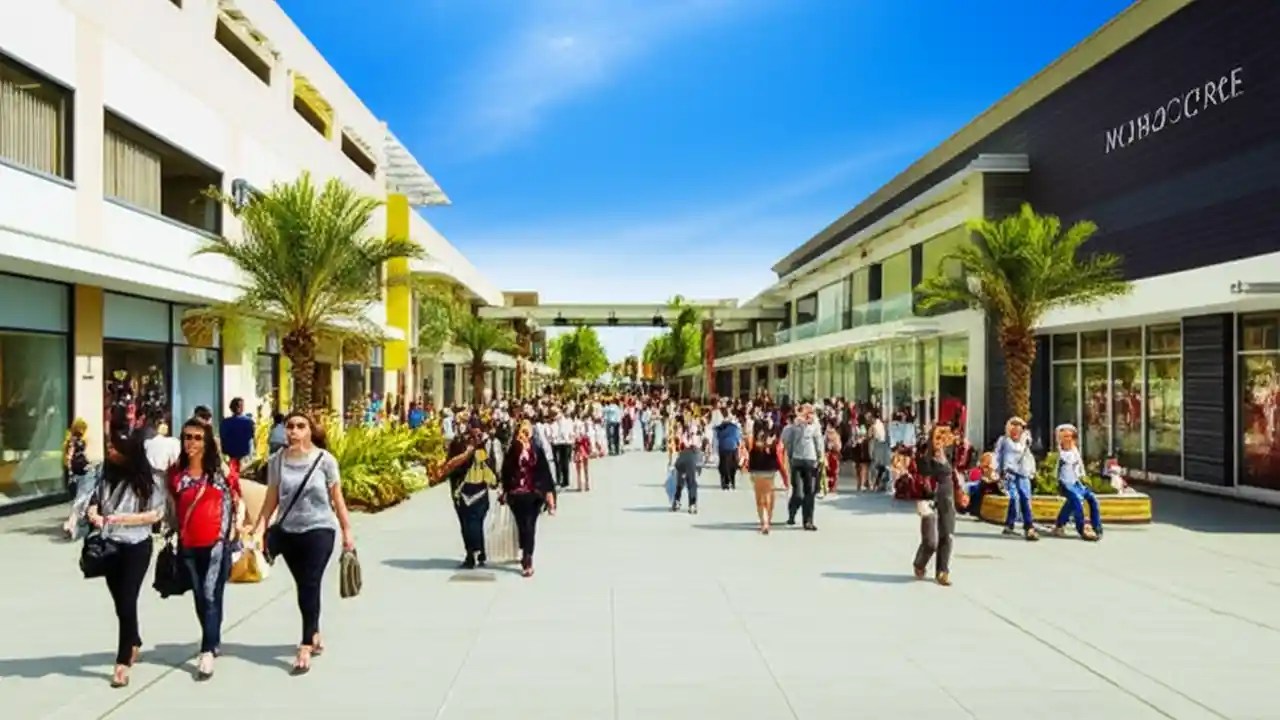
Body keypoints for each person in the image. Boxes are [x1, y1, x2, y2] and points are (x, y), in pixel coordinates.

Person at [250, 412, 355, 675]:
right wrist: (260, 529)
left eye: (300, 426)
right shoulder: (277, 462)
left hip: (319, 530)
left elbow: (337, 499)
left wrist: (347, 531)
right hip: (289, 531)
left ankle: (306, 644)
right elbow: (271, 499)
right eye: (290, 427)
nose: (294, 431)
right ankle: (315, 630)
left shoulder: (325, 461)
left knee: (310, 582)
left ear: (309, 430)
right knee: (304, 587)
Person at [86, 429, 166, 688]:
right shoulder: (104, 475)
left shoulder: (148, 480)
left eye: (116, 448)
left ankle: (122, 661)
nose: (110, 451)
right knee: (120, 602)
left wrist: (118, 519)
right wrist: (93, 514)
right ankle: (134, 639)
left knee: (128, 599)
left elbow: (155, 515)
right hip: (110, 545)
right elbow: (93, 501)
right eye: (109, 447)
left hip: (136, 547)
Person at [169, 419, 243, 680]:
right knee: (201, 597)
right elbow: (172, 507)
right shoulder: (177, 474)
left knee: (211, 594)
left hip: (216, 545)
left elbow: (235, 500)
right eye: (188, 437)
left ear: (207, 442)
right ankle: (214, 637)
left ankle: (207, 650)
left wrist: (233, 532)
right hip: (188, 544)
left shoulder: (219, 474)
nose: (192, 442)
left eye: (198, 438)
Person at [499, 420, 556, 577]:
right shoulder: (513, 450)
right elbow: (505, 471)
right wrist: (504, 490)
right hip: (516, 494)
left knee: (530, 524)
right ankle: (524, 546)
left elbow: (544, 471)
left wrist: (550, 494)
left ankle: (528, 558)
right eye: (521, 432)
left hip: (533, 493)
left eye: (527, 432)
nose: (524, 435)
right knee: (521, 525)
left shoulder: (537, 449)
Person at [438, 422, 498, 569]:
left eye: (479, 434)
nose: (476, 437)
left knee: (476, 523)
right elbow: (449, 466)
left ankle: (477, 550)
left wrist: (496, 482)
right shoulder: (458, 444)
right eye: (473, 434)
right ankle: (471, 554)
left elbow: (492, 467)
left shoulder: (487, 446)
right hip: (461, 491)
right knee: (466, 525)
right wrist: (468, 452)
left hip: (480, 491)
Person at [913, 424, 960, 586]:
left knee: (947, 534)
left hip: (947, 497)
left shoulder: (950, 453)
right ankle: (920, 562)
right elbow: (919, 474)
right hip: (928, 498)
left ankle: (942, 571)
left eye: (943, 438)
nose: (939, 442)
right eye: (936, 439)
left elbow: (955, 473)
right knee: (931, 541)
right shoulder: (924, 455)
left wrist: (960, 493)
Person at [1051, 424, 1102, 541]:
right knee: (1076, 500)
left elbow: (1080, 468)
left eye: (1070, 436)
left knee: (1092, 499)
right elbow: (1053, 471)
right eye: (1065, 437)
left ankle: (1096, 527)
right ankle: (1082, 528)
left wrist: (1084, 480)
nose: (1068, 439)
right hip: (1065, 483)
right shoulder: (1059, 454)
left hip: (1077, 483)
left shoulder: (1075, 451)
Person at [994, 417, 1039, 541]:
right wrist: (996, 471)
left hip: (1023, 473)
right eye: (1013, 426)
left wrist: (1032, 471)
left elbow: (1029, 457)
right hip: (1009, 473)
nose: (1016, 430)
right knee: (1014, 497)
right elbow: (997, 455)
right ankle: (1010, 524)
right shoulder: (1003, 440)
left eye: (1019, 427)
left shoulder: (1025, 442)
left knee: (1025, 497)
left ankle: (1029, 526)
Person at [782, 404, 824, 531]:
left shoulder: (816, 427)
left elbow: (819, 442)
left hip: (811, 461)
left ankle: (808, 521)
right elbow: (787, 441)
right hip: (797, 461)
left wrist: (820, 457)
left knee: (810, 492)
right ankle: (792, 512)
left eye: (810, 413)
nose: (808, 416)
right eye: (805, 413)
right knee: (798, 493)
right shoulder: (794, 427)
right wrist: (790, 456)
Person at [746, 423, 784, 534]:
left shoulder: (772, 440)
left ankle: (765, 521)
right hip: (764, 470)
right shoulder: (753, 440)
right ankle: (765, 521)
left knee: (764, 499)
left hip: (764, 470)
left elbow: (779, 451)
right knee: (765, 499)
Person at [63, 418, 92, 538]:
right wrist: (70, 472)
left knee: (82, 496)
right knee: (82, 496)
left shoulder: (74, 440)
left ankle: (74, 522)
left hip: (81, 470)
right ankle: (72, 523)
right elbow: (70, 457)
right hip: (80, 472)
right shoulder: (74, 441)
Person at [671, 418, 702, 514]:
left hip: (682, 459)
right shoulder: (697, 438)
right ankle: (692, 504)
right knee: (692, 483)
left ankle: (677, 501)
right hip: (691, 459)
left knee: (680, 482)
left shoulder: (681, 435)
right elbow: (698, 451)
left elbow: (676, 446)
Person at [219, 398, 255, 477]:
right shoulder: (249, 421)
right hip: (244, 452)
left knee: (232, 473)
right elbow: (252, 436)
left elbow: (222, 436)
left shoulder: (224, 422)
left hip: (229, 453)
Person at [715, 414, 742, 490]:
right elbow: (738, 438)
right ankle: (732, 482)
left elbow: (718, 437)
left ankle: (725, 482)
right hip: (733, 447)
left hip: (723, 448)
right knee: (733, 465)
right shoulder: (735, 428)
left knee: (723, 465)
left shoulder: (720, 429)